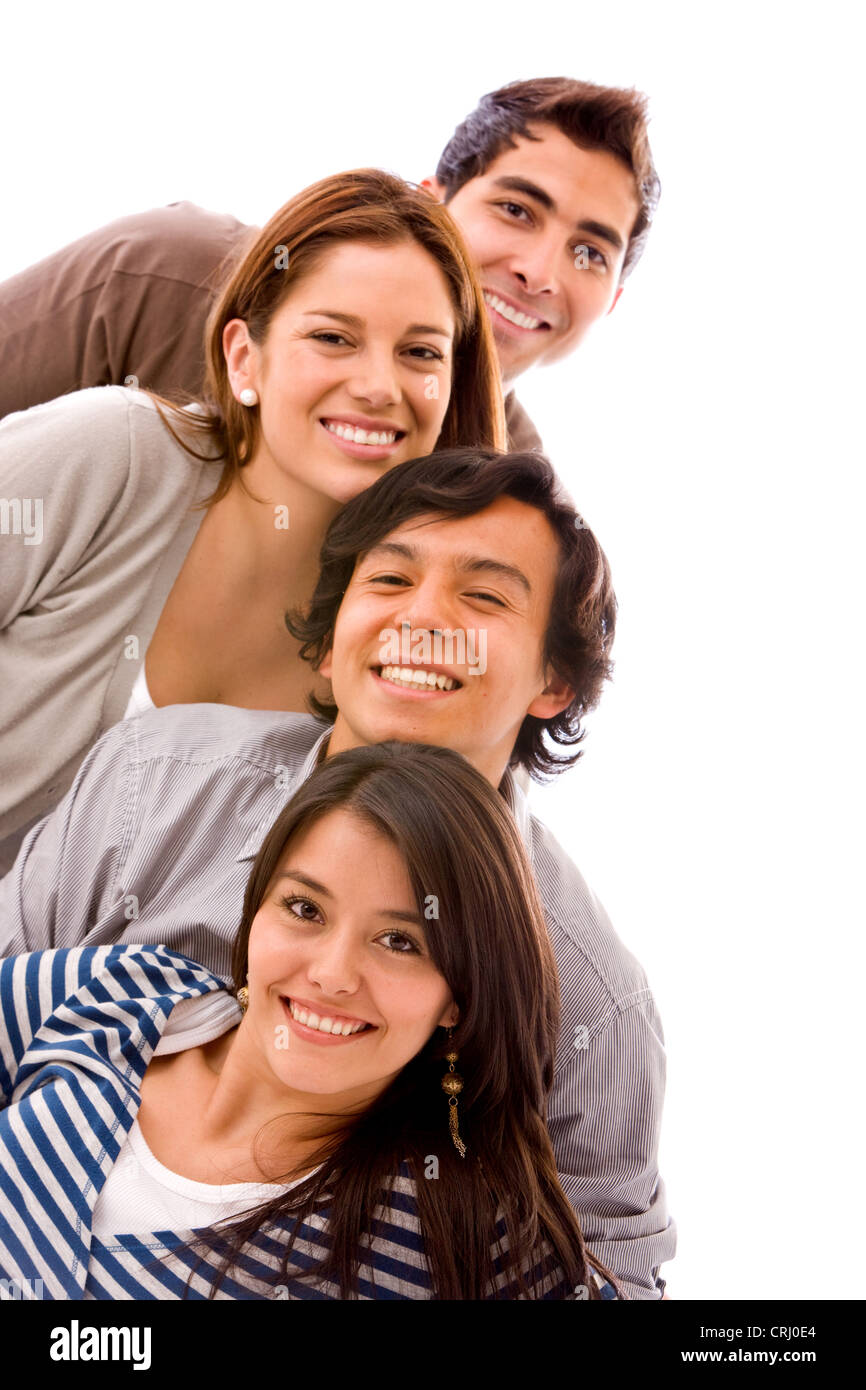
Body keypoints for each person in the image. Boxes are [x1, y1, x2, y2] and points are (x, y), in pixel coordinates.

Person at [0, 447, 677, 1298]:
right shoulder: (153, 780)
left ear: (554, 680)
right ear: (327, 641)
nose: (422, 620)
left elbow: (606, 1281)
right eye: (388, 582)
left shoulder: (594, 1000)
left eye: (484, 595)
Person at [0, 169, 504, 871]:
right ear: (245, 359)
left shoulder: (398, 645)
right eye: (333, 338)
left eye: (419, 352)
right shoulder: (111, 453)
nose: (378, 387)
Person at [0, 741, 620, 1301]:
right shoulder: (126, 991)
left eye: (400, 942)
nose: (332, 973)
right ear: (256, 907)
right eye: (304, 908)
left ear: (457, 997)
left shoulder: (451, 1232)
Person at [0, 76, 660, 450]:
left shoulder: (516, 506)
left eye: (589, 252)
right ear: (430, 205)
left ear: (612, 302)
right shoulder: (157, 276)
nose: (540, 271)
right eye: (516, 210)